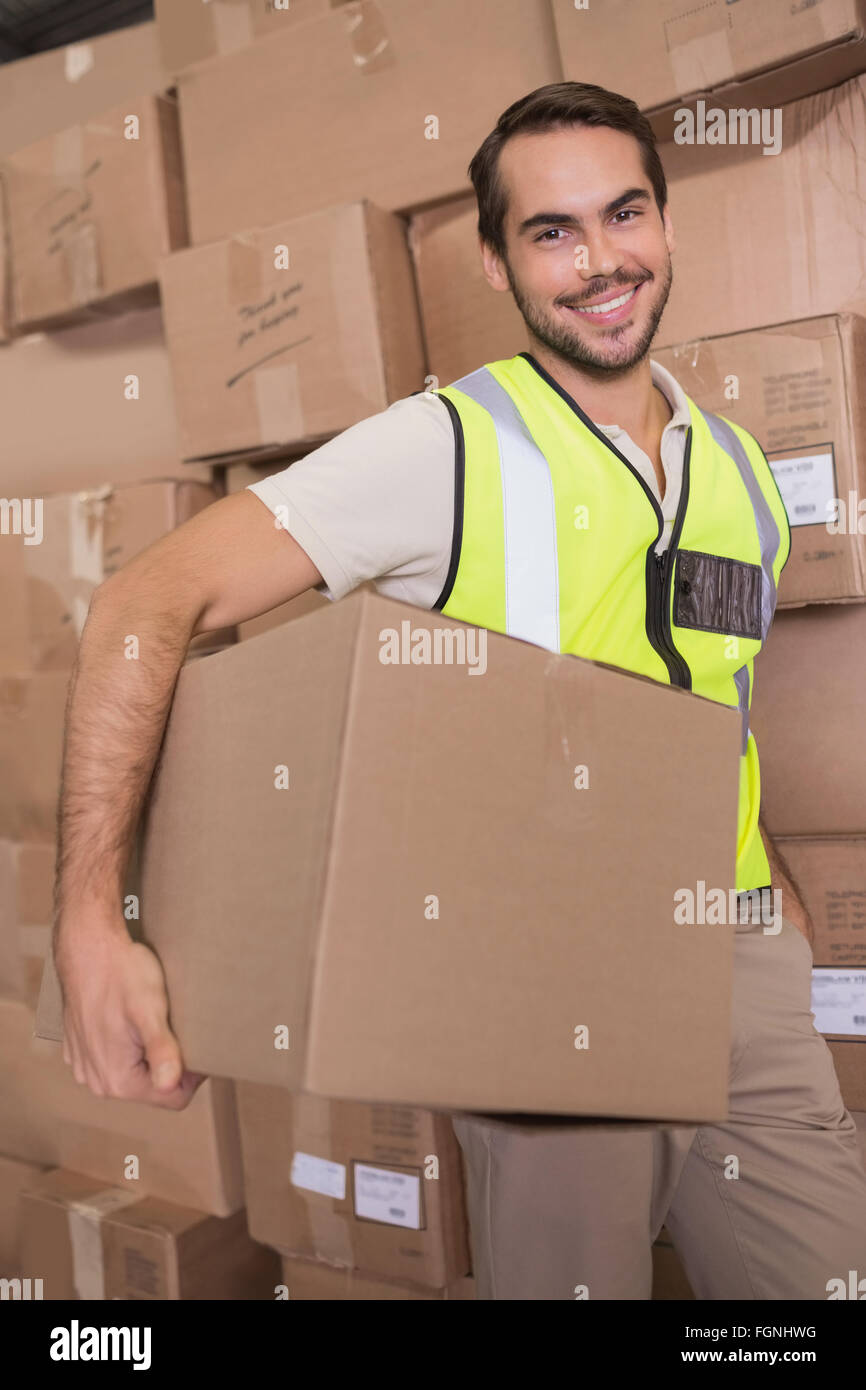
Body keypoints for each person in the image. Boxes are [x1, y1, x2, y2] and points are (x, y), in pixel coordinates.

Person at [53, 82, 866, 1298]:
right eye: (551, 232)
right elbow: (141, 606)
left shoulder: (737, 469)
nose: (598, 261)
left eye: (621, 215)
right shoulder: (444, 448)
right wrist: (90, 917)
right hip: (546, 985)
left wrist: (775, 910)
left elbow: (715, 695)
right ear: (495, 262)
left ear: (664, 224)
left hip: (740, 962)